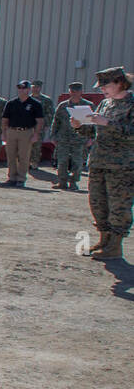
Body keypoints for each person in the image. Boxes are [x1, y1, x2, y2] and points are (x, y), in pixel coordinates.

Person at [77, 66, 133, 260]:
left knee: (119, 205)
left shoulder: (131, 103)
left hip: (122, 166)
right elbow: (94, 133)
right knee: (98, 203)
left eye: (106, 85)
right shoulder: (105, 104)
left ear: (120, 83)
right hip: (99, 161)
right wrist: (80, 125)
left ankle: (115, 246)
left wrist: (107, 123)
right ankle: (104, 239)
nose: (102, 90)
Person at [1, 80, 44, 188]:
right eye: (19, 88)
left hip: (26, 132)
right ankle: (12, 177)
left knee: (24, 156)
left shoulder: (35, 104)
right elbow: (5, 119)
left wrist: (36, 134)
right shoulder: (11, 103)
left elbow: (40, 121)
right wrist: (4, 132)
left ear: (29, 89)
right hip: (12, 131)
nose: (21, 90)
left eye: (23, 88)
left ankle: (21, 178)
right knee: (11, 155)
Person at [51, 82, 90, 191]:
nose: (74, 93)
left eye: (77, 91)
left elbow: (92, 124)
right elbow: (56, 121)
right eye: (72, 91)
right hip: (63, 139)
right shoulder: (63, 105)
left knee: (77, 163)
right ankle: (62, 182)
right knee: (62, 161)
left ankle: (73, 183)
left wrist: (91, 138)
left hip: (80, 139)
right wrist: (53, 135)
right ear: (69, 92)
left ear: (81, 92)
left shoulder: (87, 105)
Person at [30, 80, 55, 170]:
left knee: (37, 145)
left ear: (40, 88)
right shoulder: (27, 99)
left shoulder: (46, 100)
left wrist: (46, 125)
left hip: (39, 126)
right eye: (33, 87)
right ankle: (26, 162)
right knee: (26, 144)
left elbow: (50, 113)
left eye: (37, 87)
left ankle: (34, 162)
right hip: (28, 126)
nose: (35, 89)